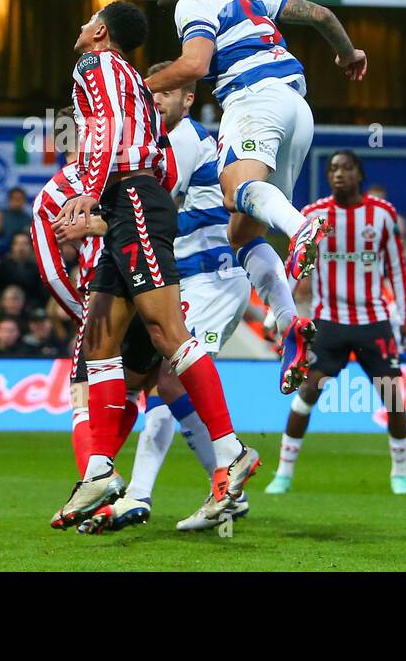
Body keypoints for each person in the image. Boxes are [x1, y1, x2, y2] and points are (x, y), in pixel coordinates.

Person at [50, 0, 255, 531]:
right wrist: (137, 202)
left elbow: (106, 131)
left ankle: (231, 451)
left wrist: (94, 195)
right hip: (134, 203)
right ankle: (99, 468)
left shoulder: (95, 66)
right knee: (99, 339)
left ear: (99, 30)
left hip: (130, 200)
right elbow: (159, 153)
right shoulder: (137, 84)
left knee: (167, 332)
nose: (79, 27)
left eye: (85, 20)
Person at [140, 0, 365, 392]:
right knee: (241, 231)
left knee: (232, 190)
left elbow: (197, 65)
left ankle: (301, 228)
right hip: (298, 108)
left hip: (252, 100)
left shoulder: (192, 3)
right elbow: (321, 15)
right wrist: (348, 53)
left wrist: (140, 85)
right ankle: (291, 326)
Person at [86, 60, 271, 533]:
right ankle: (211, 483)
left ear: (187, 98)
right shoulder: (162, 141)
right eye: (151, 93)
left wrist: (105, 224)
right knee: (157, 382)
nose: (155, 101)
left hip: (210, 277)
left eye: (165, 93)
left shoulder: (183, 138)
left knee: (170, 378)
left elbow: (158, 216)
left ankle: (197, 482)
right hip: (188, 277)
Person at [266, 150, 406, 497]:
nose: (338, 174)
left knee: (393, 399)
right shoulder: (314, 215)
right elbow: (294, 265)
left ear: (359, 174)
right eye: (333, 169)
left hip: (373, 324)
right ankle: (283, 473)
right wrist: (279, 312)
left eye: (346, 168)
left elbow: (395, 270)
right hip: (327, 324)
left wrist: (404, 320)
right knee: (306, 394)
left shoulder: (382, 215)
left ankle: (400, 474)